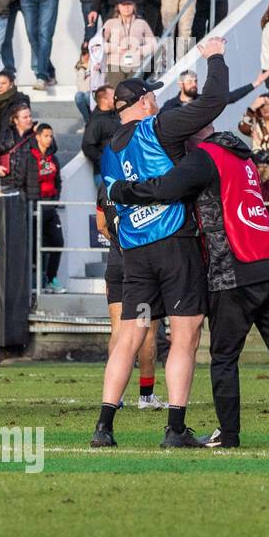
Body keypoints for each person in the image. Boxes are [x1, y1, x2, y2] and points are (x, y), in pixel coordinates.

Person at [107, 129, 269, 451]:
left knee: (223, 357)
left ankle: (229, 434)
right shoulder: (243, 158)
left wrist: (121, 190)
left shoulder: (203, 158)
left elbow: (165, 188)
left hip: (234, 268)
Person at [92, 40, 231, 449]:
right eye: (151, 95)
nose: (156, 99)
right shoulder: (159, 126)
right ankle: (174, 428)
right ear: (144, 102)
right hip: (175, 242)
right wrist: (215, 57)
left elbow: (109, 206)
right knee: (186, 335)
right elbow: (215, 100)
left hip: (135, 254)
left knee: (129, 337)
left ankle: (104, 427)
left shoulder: (108, 152)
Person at [96, 185, 162, 411]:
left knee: (117, 330)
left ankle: (116, 396)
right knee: (146, 332)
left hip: (116, 264)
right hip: (141, 267)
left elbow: (101, 226)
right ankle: (146, 396)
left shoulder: (105, 187)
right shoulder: (144, 181)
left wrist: (119, 242)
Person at [8, 122, 64, 292]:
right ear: (38, 137)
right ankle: (32, 284)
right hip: (32, 209)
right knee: (33, 248)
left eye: (51, 136)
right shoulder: (27, 157)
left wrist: (54, 200)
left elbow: (58, 181)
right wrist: (28, 203)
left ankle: (51, 279)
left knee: (57, 242)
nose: (49, 139)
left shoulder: (53, 158)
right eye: (46, 136)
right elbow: (18, 183)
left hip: (49, 208)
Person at [100, 0, 157, 86]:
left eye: (129, 4)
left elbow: (153, 44)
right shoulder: (110, 23)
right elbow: (100, 43)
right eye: (123, 4)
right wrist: (116, 48)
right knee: (117, 93)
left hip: (135, 65)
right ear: (118, 6)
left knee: (133, 94)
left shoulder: (141, 23)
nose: (126, 8)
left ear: (134, 6)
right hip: (115, 65)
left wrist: (140, 50)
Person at [159, 67, 264, 114]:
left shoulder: (204, 100)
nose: (194, 84)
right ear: (181, 84)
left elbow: (230, 97)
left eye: (196, 81)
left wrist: (255, 84)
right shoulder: (170, 106)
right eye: (189, 81)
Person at [81, 85, 118, 190]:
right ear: (104, 100)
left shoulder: (115, 114)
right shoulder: (96, 121)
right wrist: (106, 161)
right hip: (106, 176)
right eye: (113, 96)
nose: (117, 98)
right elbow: (87, 146)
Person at [0, 69, 30, 140]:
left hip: (13, 141)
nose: (0, 86)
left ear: (11, 84)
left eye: (4, 83)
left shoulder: (19, 100)